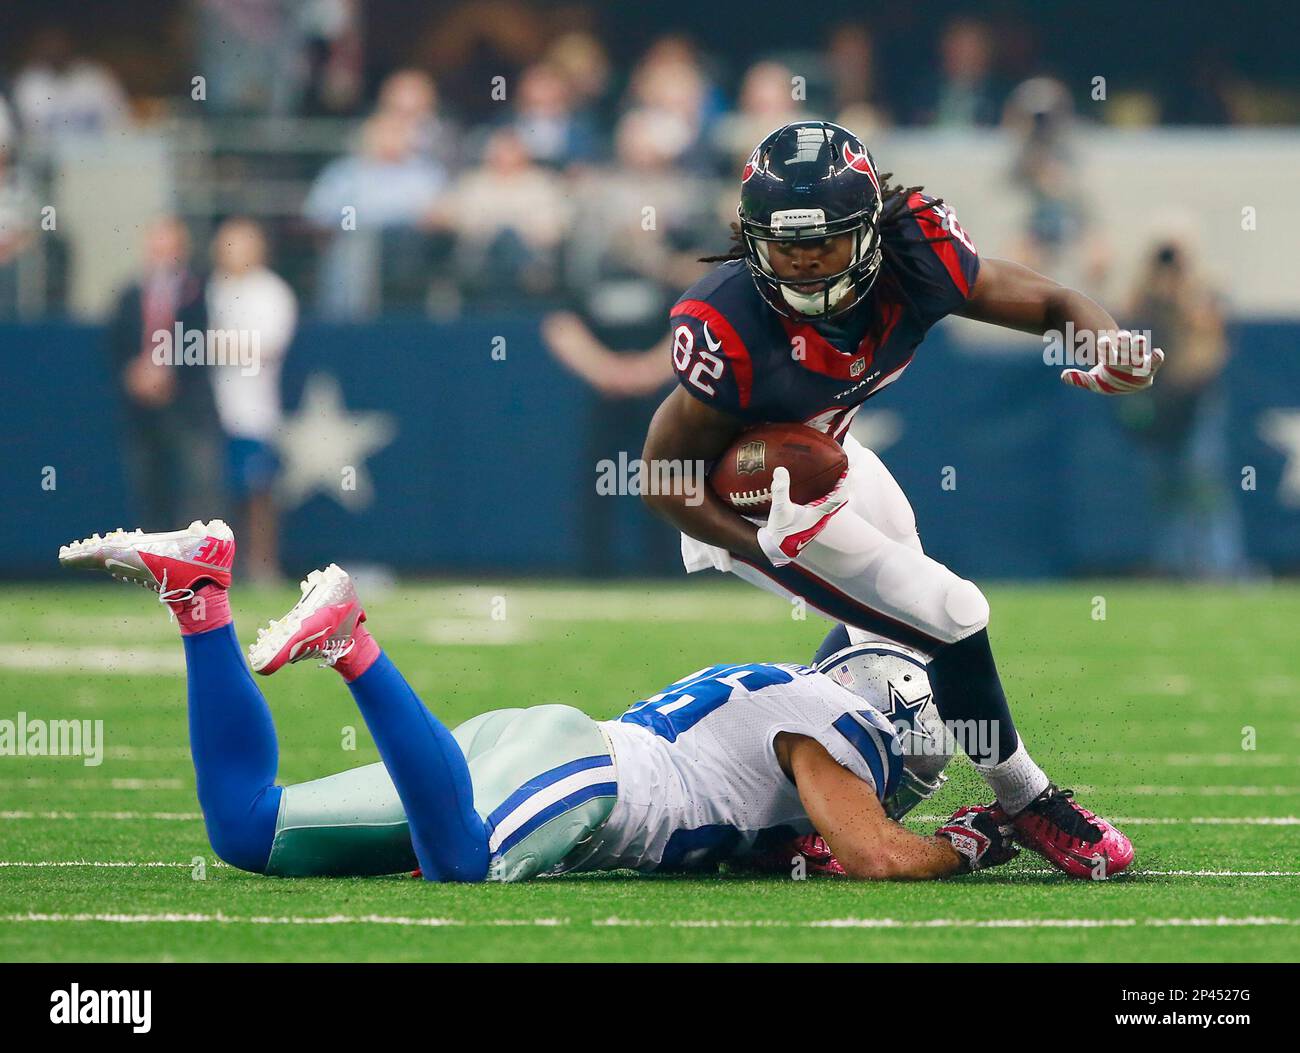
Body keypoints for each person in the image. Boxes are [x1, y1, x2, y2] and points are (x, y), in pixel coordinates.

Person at [641, 121, 1163, 879]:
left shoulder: (916, 255)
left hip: (828, 462)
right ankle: (1027, 799)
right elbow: (663, 473)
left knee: (899, 643)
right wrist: (757, 543)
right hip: (755, 505)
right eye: (786, 244)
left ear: (871, 230)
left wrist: (1105, 342)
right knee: (951, 613)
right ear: (753, 237)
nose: (802, 260)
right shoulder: (730, 322)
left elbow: (1052, 301)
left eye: (824, 240)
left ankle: (797, 823)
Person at [57, 520, 1020, 882]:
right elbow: (871, 852)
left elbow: (808, 843)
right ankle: (354, 646)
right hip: (584, 776)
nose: (912, 785)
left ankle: (200, 597)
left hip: (537, 747)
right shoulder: (834, 724)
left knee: (248, 832)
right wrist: (969, 845)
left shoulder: (795, 703)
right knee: (463, 867)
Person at [106, 217, 224, 529]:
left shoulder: (201, 291)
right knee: (149, 485)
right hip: (142, 407)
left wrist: (170, 373)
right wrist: (134, 373)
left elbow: (203, 340)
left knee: (198, 484)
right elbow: (116, 345)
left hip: (188, 403)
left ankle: (201, 564)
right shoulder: (130, 294)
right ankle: (156, 563)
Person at [206, 218, 297, 583]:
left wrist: (212, 344)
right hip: (208, 408)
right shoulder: (210, 289)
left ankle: (261, 566)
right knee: (210, 493)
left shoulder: (271, 292)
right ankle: (212, 572)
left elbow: (265, 347)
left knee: (257, 489)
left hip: (252, 408)